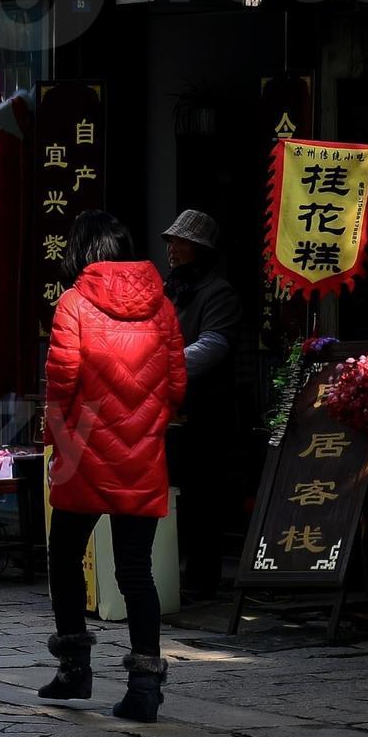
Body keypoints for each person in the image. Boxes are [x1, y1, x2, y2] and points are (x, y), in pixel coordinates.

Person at [39, 210, 184, 722]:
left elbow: (62, 382)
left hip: (85, 449)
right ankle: (145, 686)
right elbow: (177, 382)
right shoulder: (162, 307)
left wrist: (58, 438)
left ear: (79, 250)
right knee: (135, 570)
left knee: (64, 557)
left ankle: (75, 668)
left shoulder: (74, 304)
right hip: (142, 450)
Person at [161, 208, 247, 600]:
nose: (172, 249)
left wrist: (160, 367)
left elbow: (212, 346)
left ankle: (202, 576)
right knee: (173, 491)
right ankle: (171, 569)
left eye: (180, 242)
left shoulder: (218, 292)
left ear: (199, 248)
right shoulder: (170, 289)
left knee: (202, 497)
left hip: (205, 409)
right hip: (169, 407)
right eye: (172, 242)